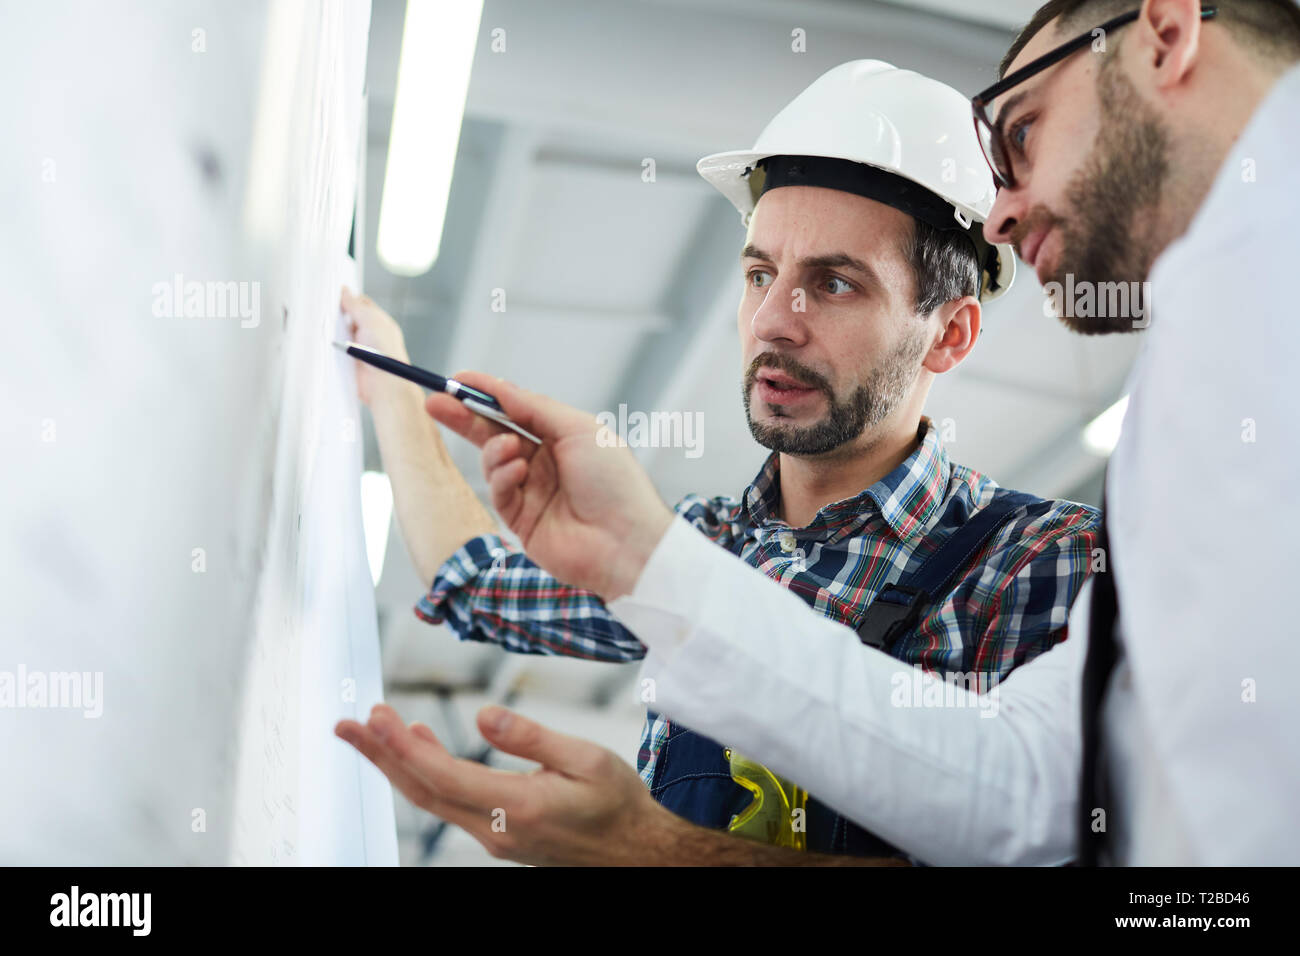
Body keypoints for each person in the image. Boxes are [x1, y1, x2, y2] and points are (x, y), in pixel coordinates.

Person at [339, 0, 1300, 866]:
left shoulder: (1042, 561)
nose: (773, 320)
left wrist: (648, 852)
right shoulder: (708, 546)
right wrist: (388, 381)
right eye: (761, 273)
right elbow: (471, 580)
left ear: (952, 333)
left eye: (835, 283)